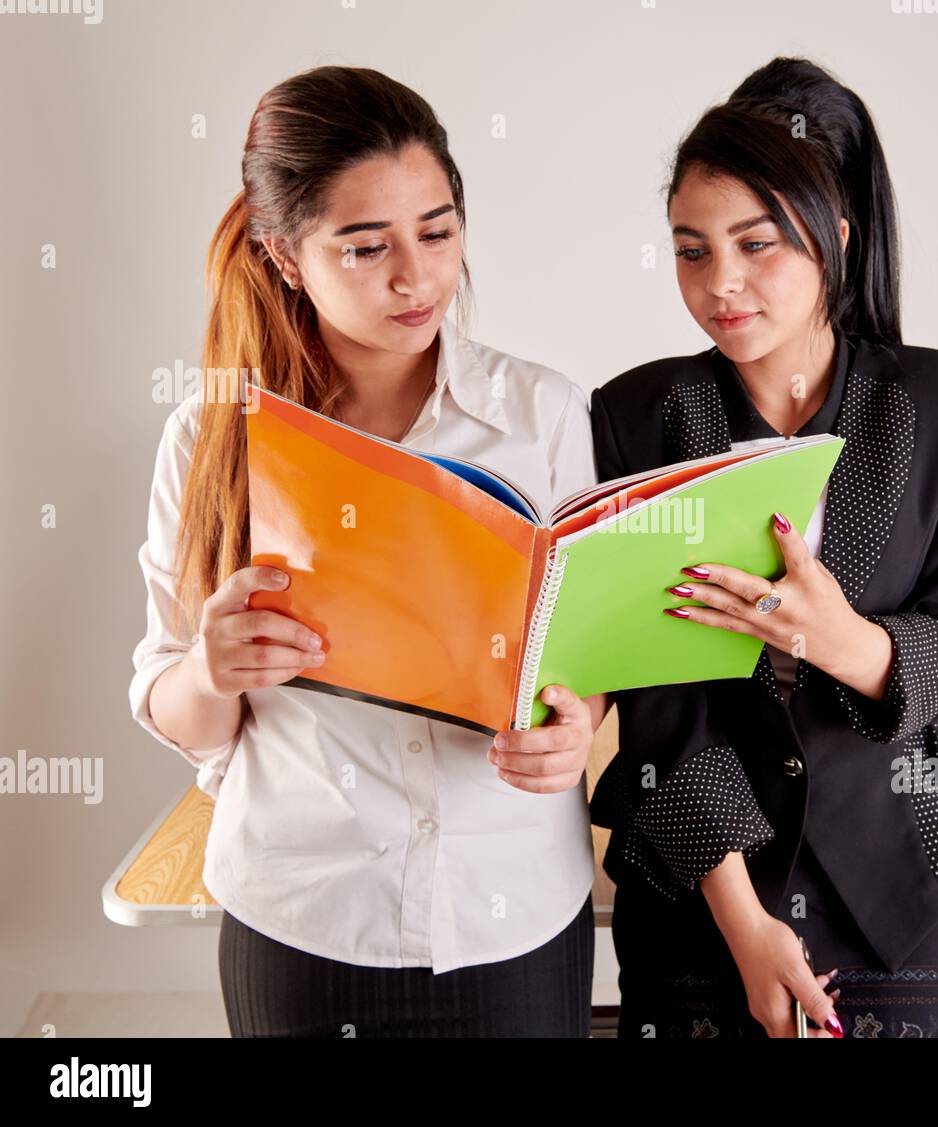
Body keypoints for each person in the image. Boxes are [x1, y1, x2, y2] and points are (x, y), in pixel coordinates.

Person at [128, 66, 604, 1037]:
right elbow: (170, 695)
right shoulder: (211, 434)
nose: (417, 277)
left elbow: (581, 651)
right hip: (305, 919)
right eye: (364, 246)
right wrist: (213, 671)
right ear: (285, 254)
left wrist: (576, 725)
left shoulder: (541, 413)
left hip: (510, 907)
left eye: (436, 230)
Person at [589, 57, 938, 1039]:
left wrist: (838, 638)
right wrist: (743, 925)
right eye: (691, 250)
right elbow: (657, 703)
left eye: (755, 243)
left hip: (911, 869)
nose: (721, 283)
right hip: (706, 887)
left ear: (832, 231)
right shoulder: (636, 417)